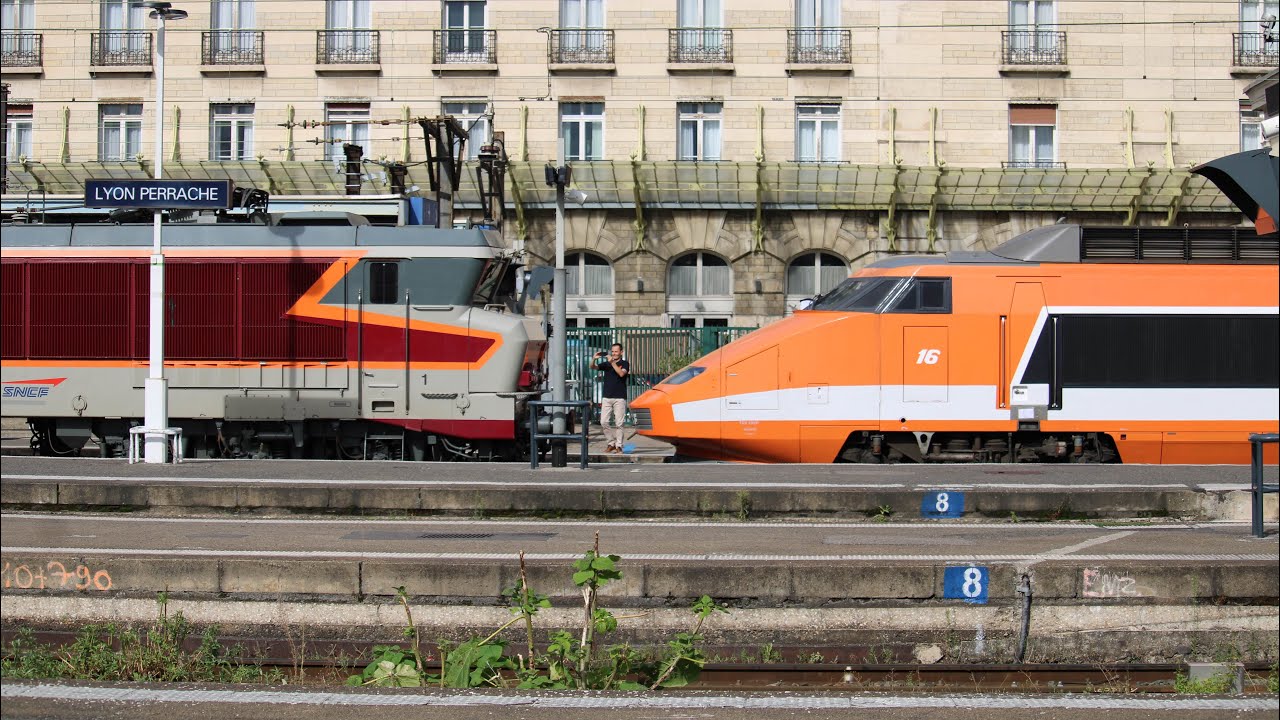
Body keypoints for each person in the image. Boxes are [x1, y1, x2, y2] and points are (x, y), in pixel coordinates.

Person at [593, 343, 630, 453]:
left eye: (616, 351)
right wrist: (593, 359)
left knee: (619, 423)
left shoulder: (625, 364)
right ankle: (611, 443)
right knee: (603, 422)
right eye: (612, 351)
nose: (614, 353)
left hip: (619, 397)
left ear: (621, 352)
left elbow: (621, 374)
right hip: (607, 397)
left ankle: (619, 446)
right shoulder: (607, 364)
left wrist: (612, 362)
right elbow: (593, 367)